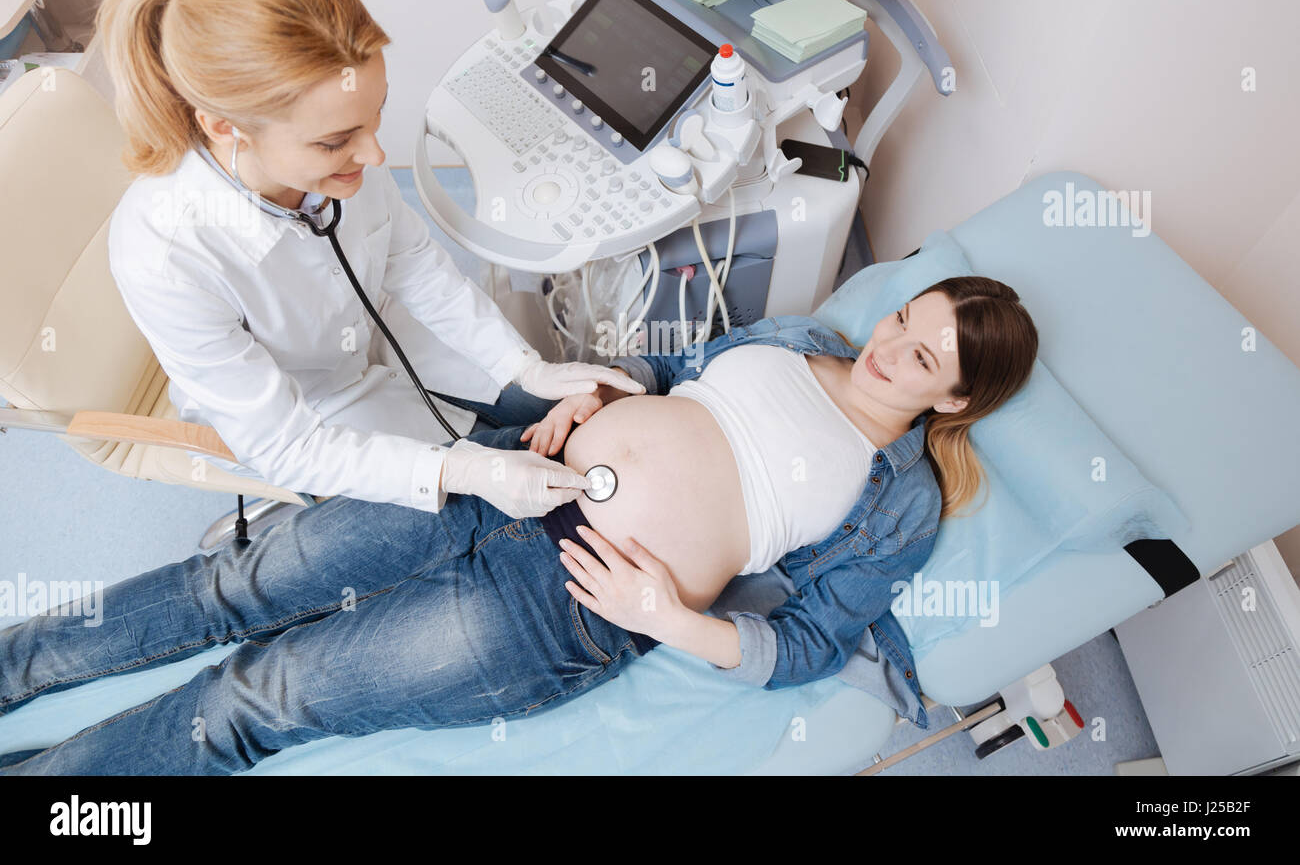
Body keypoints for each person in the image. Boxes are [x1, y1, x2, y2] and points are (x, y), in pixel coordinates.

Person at [0, 278, 1037, 774]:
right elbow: (674, 378)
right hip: (499, 471)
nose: (891, 345)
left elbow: (809, 640)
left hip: (559, 602)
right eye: (907, 315)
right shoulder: (804, 337)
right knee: (236, 583)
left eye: (924, 358)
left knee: (261, 691)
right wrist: (599, 390)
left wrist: (662, 614)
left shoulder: (902, 497)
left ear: (951, 401)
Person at [97, 0, 643, 518]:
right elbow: (287, 442)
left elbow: (412, 264)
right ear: (226, 127)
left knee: (555, 412)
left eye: (376, 114)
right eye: (335, 142)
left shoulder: (342, 155)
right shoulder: (167, 251)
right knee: (499, 501)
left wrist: (522, 366)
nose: (375, 155)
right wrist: (458, 468)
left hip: (375, 330)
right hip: (311, 411)